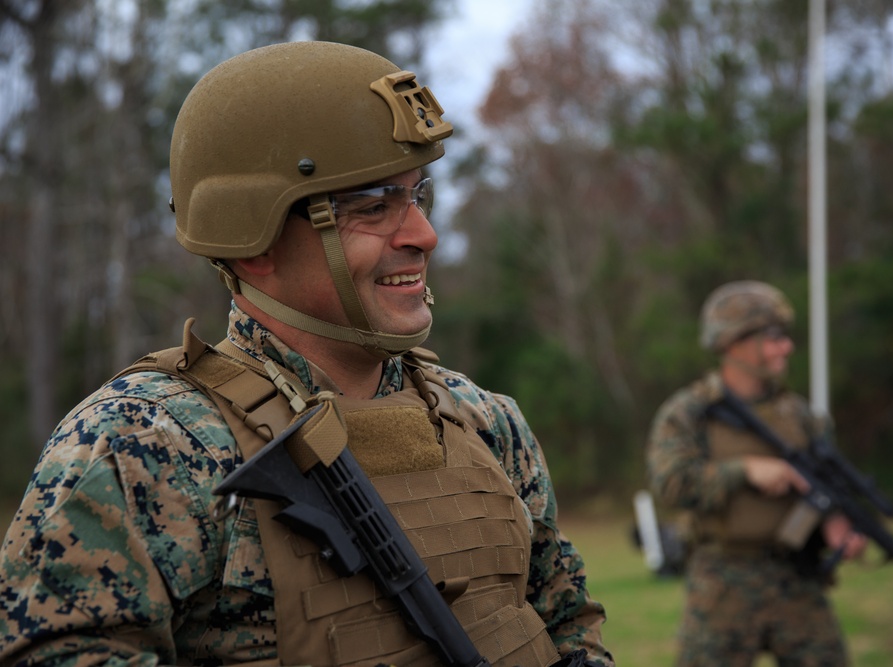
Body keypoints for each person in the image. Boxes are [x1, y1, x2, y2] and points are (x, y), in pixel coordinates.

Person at [0, 41, 613, 667]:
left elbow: (568, 625)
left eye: (417, 196)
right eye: (374, 207)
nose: (423, 235)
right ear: (253, 242)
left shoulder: (486, 422)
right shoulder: (145, 446)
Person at [645, 280, 866, 667]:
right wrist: (743, 471)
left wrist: (836, 523)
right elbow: (670, 485)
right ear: (733, 343)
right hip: (722, 580)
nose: (787, 346)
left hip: (795, 576)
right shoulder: (689, 413)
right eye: (774, 337)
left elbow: (826, 485)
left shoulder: (800, 416)